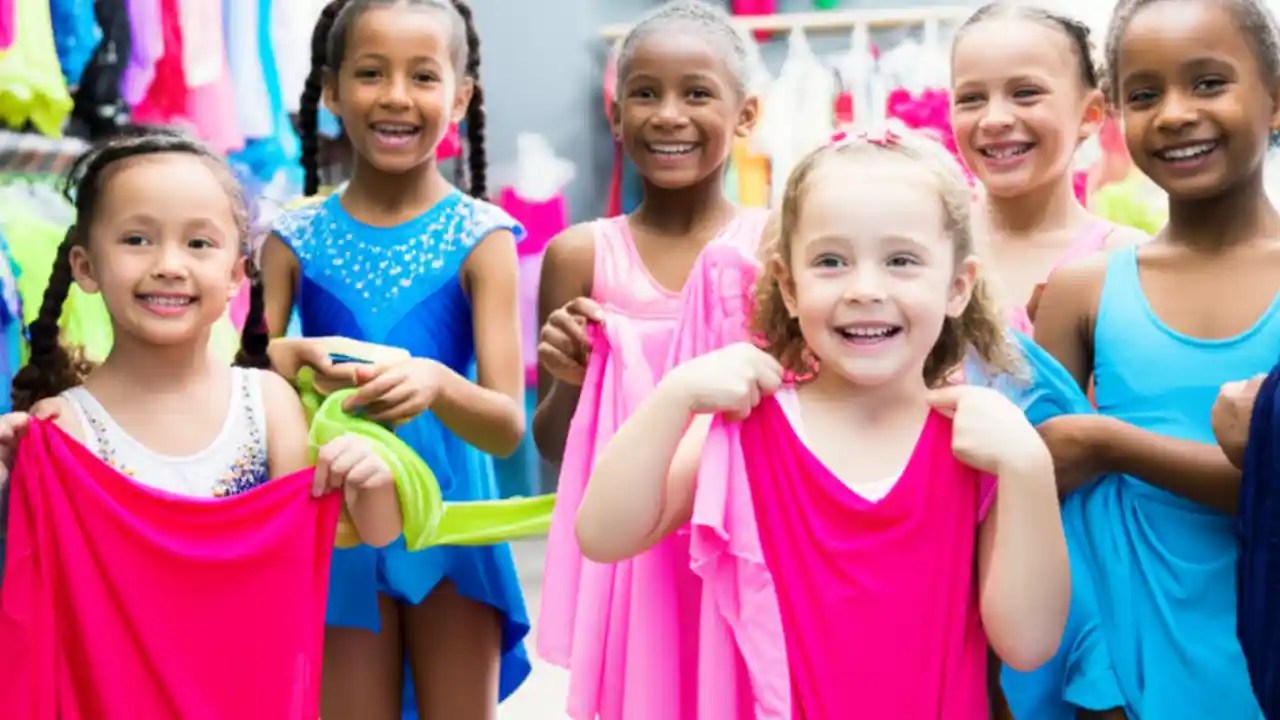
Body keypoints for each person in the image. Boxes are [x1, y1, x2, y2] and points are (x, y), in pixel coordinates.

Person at [577, 126, 1070, 717]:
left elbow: (1028, 643)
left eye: (901, 261)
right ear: (788, 286)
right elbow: (603, 535)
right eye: (831, 261)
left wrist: (1028, 466)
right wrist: (674, 398)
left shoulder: (978, 444)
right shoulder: (747, 429)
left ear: (957, 286)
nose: (865, 289)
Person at [259, 1, 530, 717]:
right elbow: (238, 385)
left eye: (423, 76)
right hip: (334, 516)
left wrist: (439, 383)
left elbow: (506, 427)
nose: (397, 97)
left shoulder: (484, 237)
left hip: (453, 520)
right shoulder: (292, 237)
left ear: (461, 95)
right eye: (372, 73)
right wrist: (294, 352)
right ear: (331, 89)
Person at [0, 130, 401, 581]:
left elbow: (330, 542)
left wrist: (374, 484)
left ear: (235, 275)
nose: (170, 265)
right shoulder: (65, 428)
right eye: (137, 240)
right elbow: (43, 581)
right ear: (86, 267)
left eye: (198, 244)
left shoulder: (267, 404)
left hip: (257, 651)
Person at [1031, 0, 1280, 715]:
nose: (1173, 113)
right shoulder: (1084, 289)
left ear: (1276, 98)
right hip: (1125, 678)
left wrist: (1109, 441)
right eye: (1145, 95)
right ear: (1115, 116)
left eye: (1208, 83)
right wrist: (1095, 669)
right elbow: (1042, 502)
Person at [531, 2, 770, 717]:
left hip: (742, 541)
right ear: (615, 114)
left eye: (696, 92)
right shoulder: (580, 255)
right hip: (630, 562)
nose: (668, 115)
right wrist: (569, 380)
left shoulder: (776, 248)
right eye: (645, 93)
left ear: (747, 114)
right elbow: (552, 444)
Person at [950, 2, 1145, 334]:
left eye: (1026, 93)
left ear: (1090, 114)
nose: (994, 119)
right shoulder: (925, 251)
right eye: (971, 98)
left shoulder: (1129, 262)